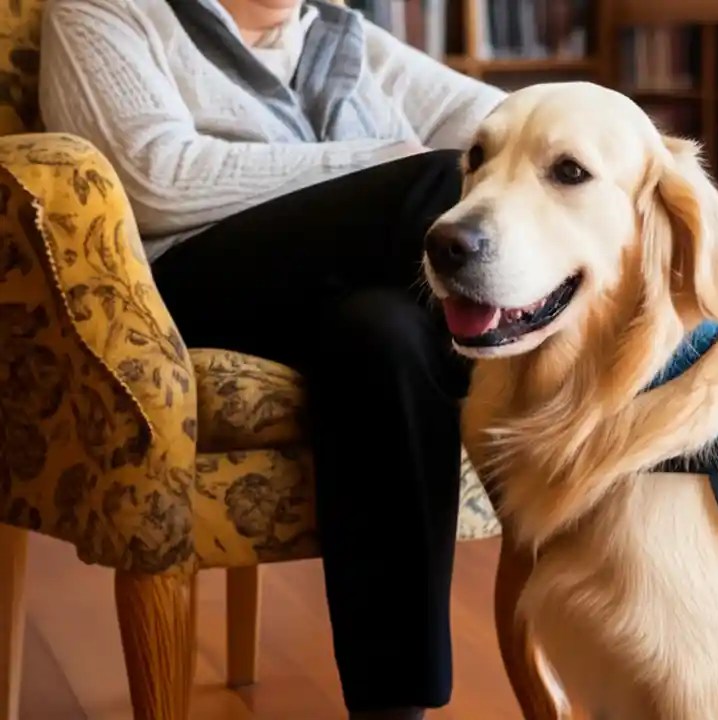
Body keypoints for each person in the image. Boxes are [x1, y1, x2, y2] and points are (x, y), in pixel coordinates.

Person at [38, 0, 505, 716]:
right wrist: (390, 161)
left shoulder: (333, 32)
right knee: (441, 182)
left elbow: (510, 120)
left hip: (333, 297)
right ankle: (608, 412)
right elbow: (157, 178)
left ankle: (394, 709)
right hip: (169, 299)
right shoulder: (109, 10)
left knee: (384, 331)